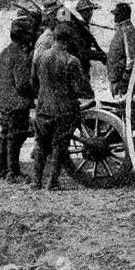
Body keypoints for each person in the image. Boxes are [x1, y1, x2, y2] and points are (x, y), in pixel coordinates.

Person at [31, 23, 94, 191]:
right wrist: (88, 93)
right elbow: (83, 89)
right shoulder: (71, 60)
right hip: (64, 110)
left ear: (55, 39)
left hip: (43, 108)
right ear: (67, 42)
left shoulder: (40, 57)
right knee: (59, 146)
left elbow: (33, 82)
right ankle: (52, 182)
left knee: (40, 144)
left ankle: (35, 182)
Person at [0, 16, 36, 182]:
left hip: (5, 100)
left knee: (5, 135)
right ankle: (14, 172)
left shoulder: (5, 51)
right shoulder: (20, 55)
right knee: (16, 137)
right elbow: (22, 84)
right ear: (23, 35)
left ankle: (2, 170)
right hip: (17, 103)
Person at [105, 2, 135, 97]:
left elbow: (131, 61)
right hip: (119, 82)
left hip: (123, 84)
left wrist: (124, 82)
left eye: (116, 15)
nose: (114, 18)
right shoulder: (124, 30)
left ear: (122, 15)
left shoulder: (127, 31)